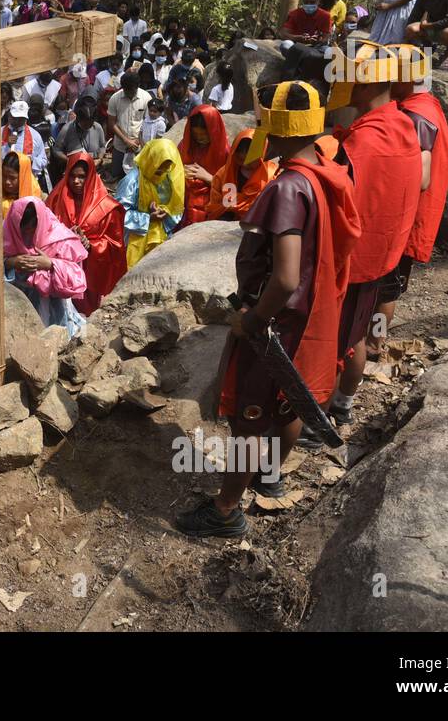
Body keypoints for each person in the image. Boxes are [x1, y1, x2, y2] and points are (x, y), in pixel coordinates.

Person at [175, 81, 360, 537]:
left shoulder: (287, 190)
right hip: (308, 318)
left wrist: (251, 321)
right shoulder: (326, 171)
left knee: (249, 420)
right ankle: (271, 476)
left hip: (275, 325)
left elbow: (285, 277)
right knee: (290, 403)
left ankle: (224, 511)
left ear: (272, 128)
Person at [321, 44, 423, 430]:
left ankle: (317, 423)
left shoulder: (362, 141)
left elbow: (339, 205)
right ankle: (344, 406)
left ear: (364, 85)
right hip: (384, 255)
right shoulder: (403, 125)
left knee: (334, 345)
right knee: (356, 338)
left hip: (352, 261)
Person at [370, 48, 448, 358]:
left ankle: (375, 340)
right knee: (389, 284)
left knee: (386, 286)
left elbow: (414, 174)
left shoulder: (416, 117)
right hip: (413, 211)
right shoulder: (425, 104)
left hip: (406, 215)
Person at [46, 151, 125, 315]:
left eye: (81, 176)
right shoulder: (55, 200)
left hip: (92, 273)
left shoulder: (108, 208)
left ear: (90, 176)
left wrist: (91, 245)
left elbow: (116, 246)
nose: (76, 181)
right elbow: (44, 233)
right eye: (72, 176)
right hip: (62, 272)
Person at [4, 198, 88, 336]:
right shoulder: (6, 234)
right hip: (16, 308)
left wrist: (50, 264)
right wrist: (10, 262)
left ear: (41, 222)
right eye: (23, 231)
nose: (28, 235)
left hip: (54, 309)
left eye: (32, 229)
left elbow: (77, 277)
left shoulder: (60, 238)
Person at [116, 138, 184, 268]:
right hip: (133, 241)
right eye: (158, 170)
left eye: (166, 169)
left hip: (160, 237)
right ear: (151, 161)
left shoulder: (166, 178)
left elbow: (175, 206)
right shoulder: (132, 181)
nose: (161, 174)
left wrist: (165, 211)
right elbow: (118, 215)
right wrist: (148, 217)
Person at [205, 128, 278, 222]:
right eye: (240, 159)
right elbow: (216, 205)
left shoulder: (271, 175)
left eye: (250, 161)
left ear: (262, 155)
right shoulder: (224, 174)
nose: (245, 164)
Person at [178, 104, 230, 226]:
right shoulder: (185, 146)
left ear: (214, 131)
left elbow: (232, 196)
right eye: (196, 135)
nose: (200, 139)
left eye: (204, 134)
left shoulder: (226, 153)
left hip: (213, 214)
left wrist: (209, 178)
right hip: (185, 209)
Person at [106, 70, 151, 175]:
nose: (129, 93)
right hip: (120, 146)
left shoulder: (146, 98)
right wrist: (126, 141)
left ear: (137, 86)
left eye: (131, 90)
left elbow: (148, 122)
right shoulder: (115, 99)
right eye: (126, 90)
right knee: (116, 175)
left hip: (139, 146)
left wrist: (138, 140)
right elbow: (111, 123)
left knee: (139, 176)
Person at [52, 101, 106, 177]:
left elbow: (102, 147)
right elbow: (56, 150)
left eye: (90, 123)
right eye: (85, 124)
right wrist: (69, 160)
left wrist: (99, 159)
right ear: (78, 119)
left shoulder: (97, 127)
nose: (88, 126)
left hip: (94, 170)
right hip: (74, 173)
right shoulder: (67, 129)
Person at [1, 100, 48, 174]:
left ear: (26, 119)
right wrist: (6, 146)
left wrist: (30, 161)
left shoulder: (35, 136)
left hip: (26, 178)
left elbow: (43, 160)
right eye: (14, 117)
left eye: (21, 119)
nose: (17, 121)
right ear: (9, 115)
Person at [1, 151, 42, 218]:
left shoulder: (34, 202)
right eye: (4, 176)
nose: (7, 182)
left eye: (12, 178)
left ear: (23, 177)